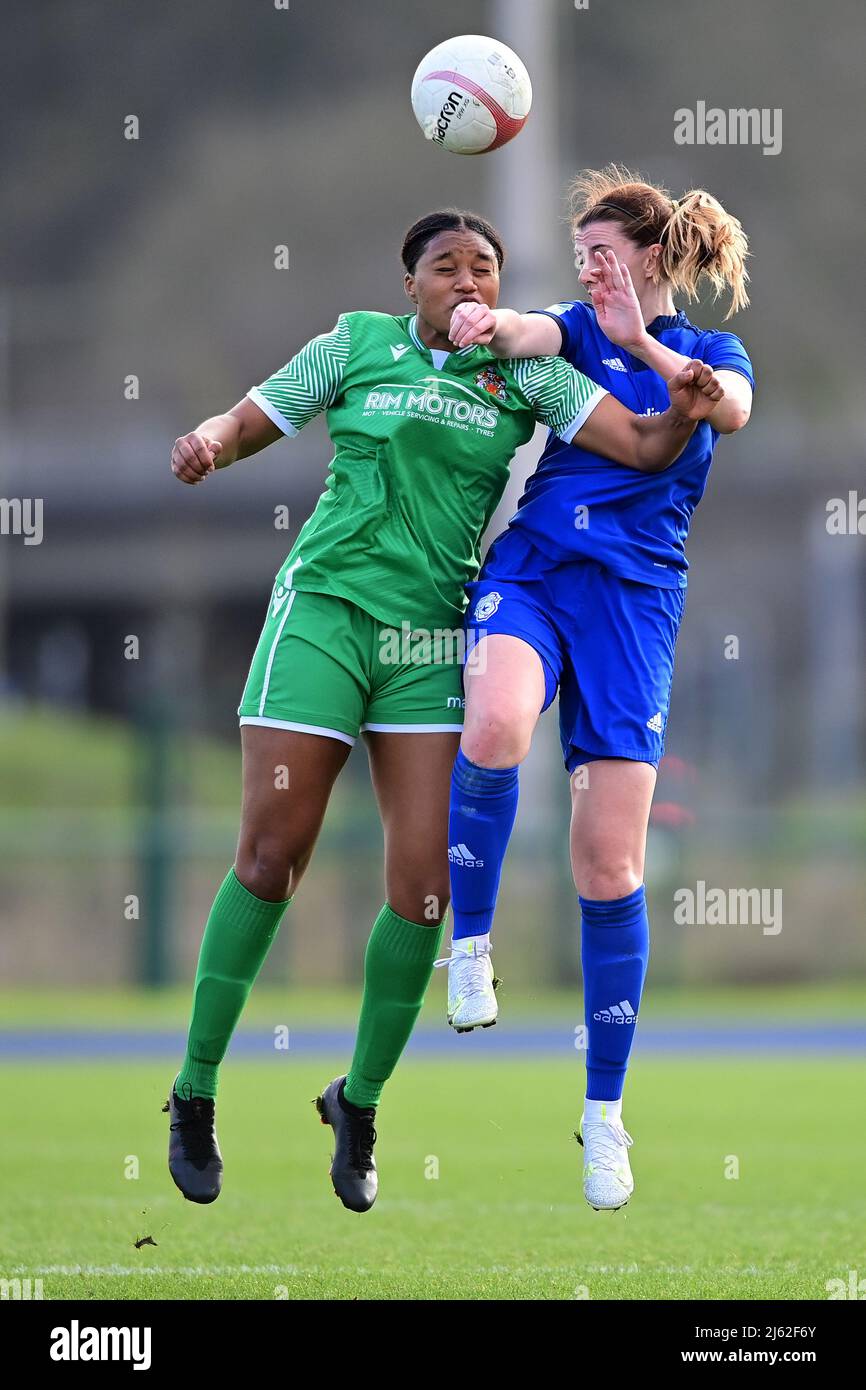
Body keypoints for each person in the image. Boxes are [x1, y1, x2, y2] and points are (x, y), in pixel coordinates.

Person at [164, 205, 724, 1214]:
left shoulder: (525, 370)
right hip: (327, 611)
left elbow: (640, 444)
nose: (467, 281)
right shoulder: (356, 342)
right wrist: (208, 438)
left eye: (484, 269)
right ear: (409, 284)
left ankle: (358, 1102)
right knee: (270, 856)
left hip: (433, 637)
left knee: (424, 890)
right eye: (445, 266)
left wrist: (682, 407)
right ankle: (195, 1088)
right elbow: (255, 417)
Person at [441, 168, 753, 1211]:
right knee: (490, 722)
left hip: (633, 604)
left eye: (602, 254)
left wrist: (641, 341)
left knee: (606, 860)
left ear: (652, 259)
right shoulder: (569, 327)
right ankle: (470, 946)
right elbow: (523, 334)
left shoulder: (705, 354)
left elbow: (726, 411)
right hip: (534, 569)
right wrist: (487, 320)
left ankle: (602, 1116)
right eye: (578, 256)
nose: (585, 270)